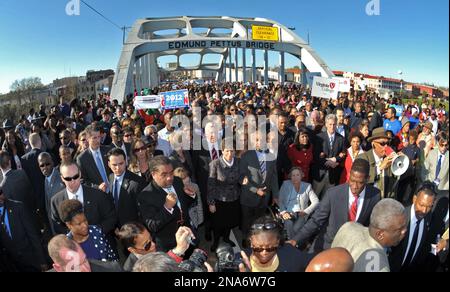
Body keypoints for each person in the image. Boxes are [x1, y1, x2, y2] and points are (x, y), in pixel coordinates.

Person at [287, 159, 381, 252]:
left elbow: (370, 225)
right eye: (352, 180)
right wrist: (296, 239)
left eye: (360, 182)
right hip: (328, 246)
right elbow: (316, 220)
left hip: (353, 250)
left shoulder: (375, 195)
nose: (354, 186)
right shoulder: (333, 194)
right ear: (349, 175)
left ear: (367, 179)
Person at [136, 156, 197, 252]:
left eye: (171, 173)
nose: (169, 178)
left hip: (187, 237)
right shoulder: (145, 196)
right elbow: (152, 226)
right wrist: (167, 207)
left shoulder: (177, 181)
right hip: (169, 245)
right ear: (153, 174)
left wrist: (191, 195)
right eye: (164, 175)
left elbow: (184, 206)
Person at [331, 199, 408, 272]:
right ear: (380, 234)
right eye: (399, 229)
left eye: (405, 226)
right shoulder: (379, 268)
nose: (404, 231)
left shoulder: (348, 226)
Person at [50, 162, 117, 235]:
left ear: (80, 174)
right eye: (68, 178)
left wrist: (94, 233)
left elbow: (111, 218)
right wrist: (73, 237)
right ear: (62, 178)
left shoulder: (98, 195)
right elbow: (58, 226)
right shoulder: (56, 201)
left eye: (75, 176)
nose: (73, 181)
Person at [239, 131, 279, 244]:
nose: (259, 142)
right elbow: (241, 177)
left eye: (261, 139)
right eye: (256, 140)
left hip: (265, 197)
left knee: (259, 220)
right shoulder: (246, 156)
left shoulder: (271, 156)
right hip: (248, 196)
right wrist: (256, 190)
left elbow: (274, 177)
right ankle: (245, 238)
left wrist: (275, 195)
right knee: (247, 220)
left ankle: (256, 238)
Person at [388, 182, 436, 272]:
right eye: (421, 205)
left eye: (429, 207)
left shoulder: (429, 220)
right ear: (414, 199)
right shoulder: (398, 217)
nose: (424, 211)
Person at [239, 216, 313, 272]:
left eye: (270, 248)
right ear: (251, 242)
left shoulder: (292, 256)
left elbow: (318, 261)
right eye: (258, 248)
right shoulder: (238, 262)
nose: (264, 253)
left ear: (277, 242)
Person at [0, 187, 48, 272]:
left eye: (0, 193)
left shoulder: (18, 207)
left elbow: (33, 235)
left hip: (31, 261)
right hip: (14, 265)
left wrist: (42, 261)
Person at [207, 138, 241, 251]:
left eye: (232, 151)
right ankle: (216, 242)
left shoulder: (238, 161)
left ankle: (226, 238)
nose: (229, 154)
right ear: (222, 150)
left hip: (234, 198)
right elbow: (210, 185)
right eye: (227, 151)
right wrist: (211, 202)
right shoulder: (215, 164)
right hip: (219, 200)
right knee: (218, 224)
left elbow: (240, 177)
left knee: (230, 221)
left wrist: (243, 180)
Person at [118, 223, 194, 271]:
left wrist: (180, 248)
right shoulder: (129, 269)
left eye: (151, 238)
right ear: (132, 250)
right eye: (147, 245)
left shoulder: (158, 244)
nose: (153, 244)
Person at [107, 147, 146, 227]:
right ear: (109, 164)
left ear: (126, 162)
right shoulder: (110, 177)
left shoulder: (137, 183)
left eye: (121, 163)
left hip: (132, 229)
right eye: (114, 165)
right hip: (116, 229)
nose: (117, 168)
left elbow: (143, 212)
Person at [311, 114, 346, 199]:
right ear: (326, 124)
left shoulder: (341, 139)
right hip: (320, 174)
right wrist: (328, 162)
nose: (332, 126)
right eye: (330, 124)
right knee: (314, 198)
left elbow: (343, 154)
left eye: (334, 124)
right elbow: (316, 155)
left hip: (333, 175)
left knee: (327, 199)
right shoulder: (319, 137)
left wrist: (335, 159)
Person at [278, 167, 319, 239]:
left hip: (301, 213)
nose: (295, 177)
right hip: (288, 211)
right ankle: (293, 243)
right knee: (288, 223)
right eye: (293, 175)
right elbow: (280, 200)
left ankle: (290, 242)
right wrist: (284, 212)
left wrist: (306, 211)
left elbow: (316, 201)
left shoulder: (307, 186)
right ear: (290, 177)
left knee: (296, 228)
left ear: (301, 176)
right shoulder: (285, 184)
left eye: (297, 175)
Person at [357, 127, 398, 199]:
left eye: (387, 143)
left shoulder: (388, 158)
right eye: (382, 143)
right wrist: (380, 167)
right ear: (373, 144)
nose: (386, 146)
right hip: (368, 200)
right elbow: (359, 178)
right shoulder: (362, 157)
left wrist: (400, 162)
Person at [47, 235, 123, 272]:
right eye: (74, 267)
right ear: (58, 268)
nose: (86, 270)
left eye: (84, 260)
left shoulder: (112, 269)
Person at [76, 125, 111, 193]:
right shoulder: (82, 158)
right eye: (94, 138)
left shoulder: (109, 150)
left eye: (99, 137)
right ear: (87, 139)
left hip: (114, 190)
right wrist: (97, 187)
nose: (98, 140)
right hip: (98, 194)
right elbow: (83, 181)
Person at [38, 152, 65, 235]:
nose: (45, 167)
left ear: (52, 163)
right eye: (42, 165)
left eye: (47, 164)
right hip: (55, 227)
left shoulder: (61, 180)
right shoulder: (46, 179)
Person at [173, 167, 203, 236]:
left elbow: (199, 203)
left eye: (187, 178)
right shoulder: (175, 192)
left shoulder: (195, 186)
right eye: (183, 180)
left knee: (194, 236)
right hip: (182, 223)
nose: (187, 183)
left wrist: (200, 218)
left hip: (194, 219)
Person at [421, 131, 448, 196]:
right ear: (438, 143)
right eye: (442, 145)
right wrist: (426, 182)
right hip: (429, 186)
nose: (444, 148)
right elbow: (425, 169)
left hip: (443, 189)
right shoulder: (431, 153)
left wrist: (446, 187)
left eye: (446, 145)